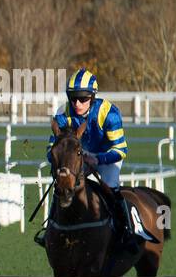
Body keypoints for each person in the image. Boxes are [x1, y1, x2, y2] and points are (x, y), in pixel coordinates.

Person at [41, 68, 138, 253]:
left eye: (83, 99)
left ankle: (126, 232)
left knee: (111, 186)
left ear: (92, 97)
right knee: (61, 184)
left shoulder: (109, 113)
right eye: (73, 98)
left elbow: (120, 149)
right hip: (78, 158)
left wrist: (97, 159)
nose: (77, 103)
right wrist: (59, 162)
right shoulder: (63, 114)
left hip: (108, 157)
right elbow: (51, 148)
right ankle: (50, 230)